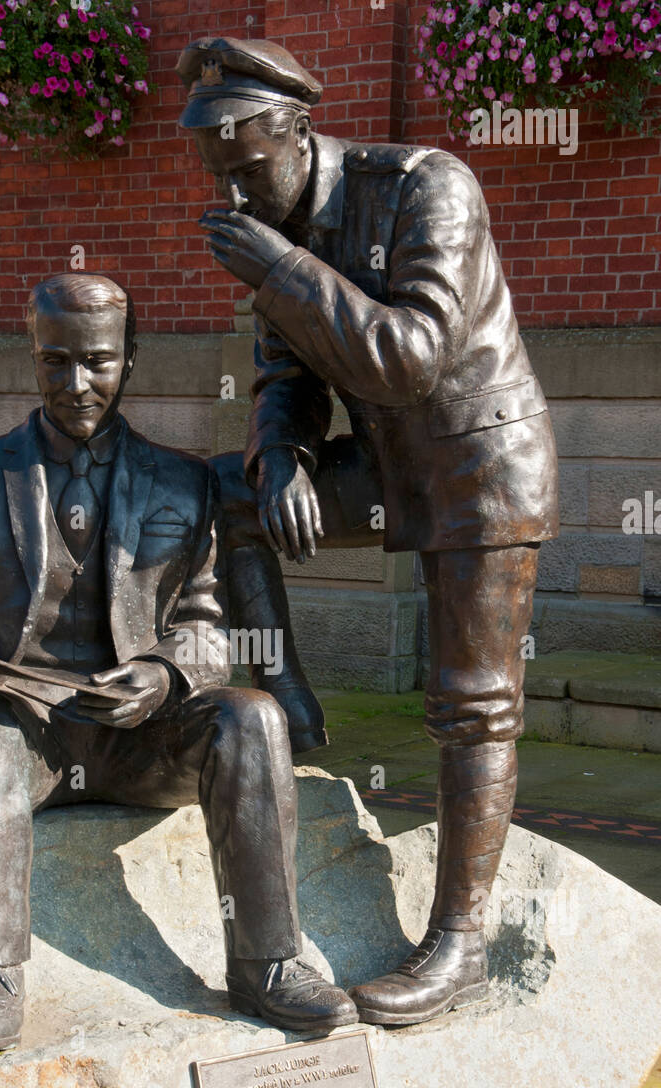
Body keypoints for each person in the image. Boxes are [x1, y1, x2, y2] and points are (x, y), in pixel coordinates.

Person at [177, 37, 559, 1026]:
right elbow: (282, 382)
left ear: (300, 131)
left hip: (479, 464)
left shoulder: (425, 188)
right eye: (219, 176)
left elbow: (409, 356)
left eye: (250, 169)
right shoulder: (270, 230)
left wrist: (283, 269)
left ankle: (459, 943)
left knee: (471, 703)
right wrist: (285, 460)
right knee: (217, 496)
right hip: (388, 465)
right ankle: (289, 710)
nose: (236, 195)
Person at [0, 272, 357, 1052]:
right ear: (33, 357)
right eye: (56, 362)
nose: (77, 384)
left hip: (144, 737)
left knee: (251, 716)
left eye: (98, 362)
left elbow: (206, 623)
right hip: (26, 731)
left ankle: (267, 962)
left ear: (129, 359)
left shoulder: (183, 479)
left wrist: (161, 676)